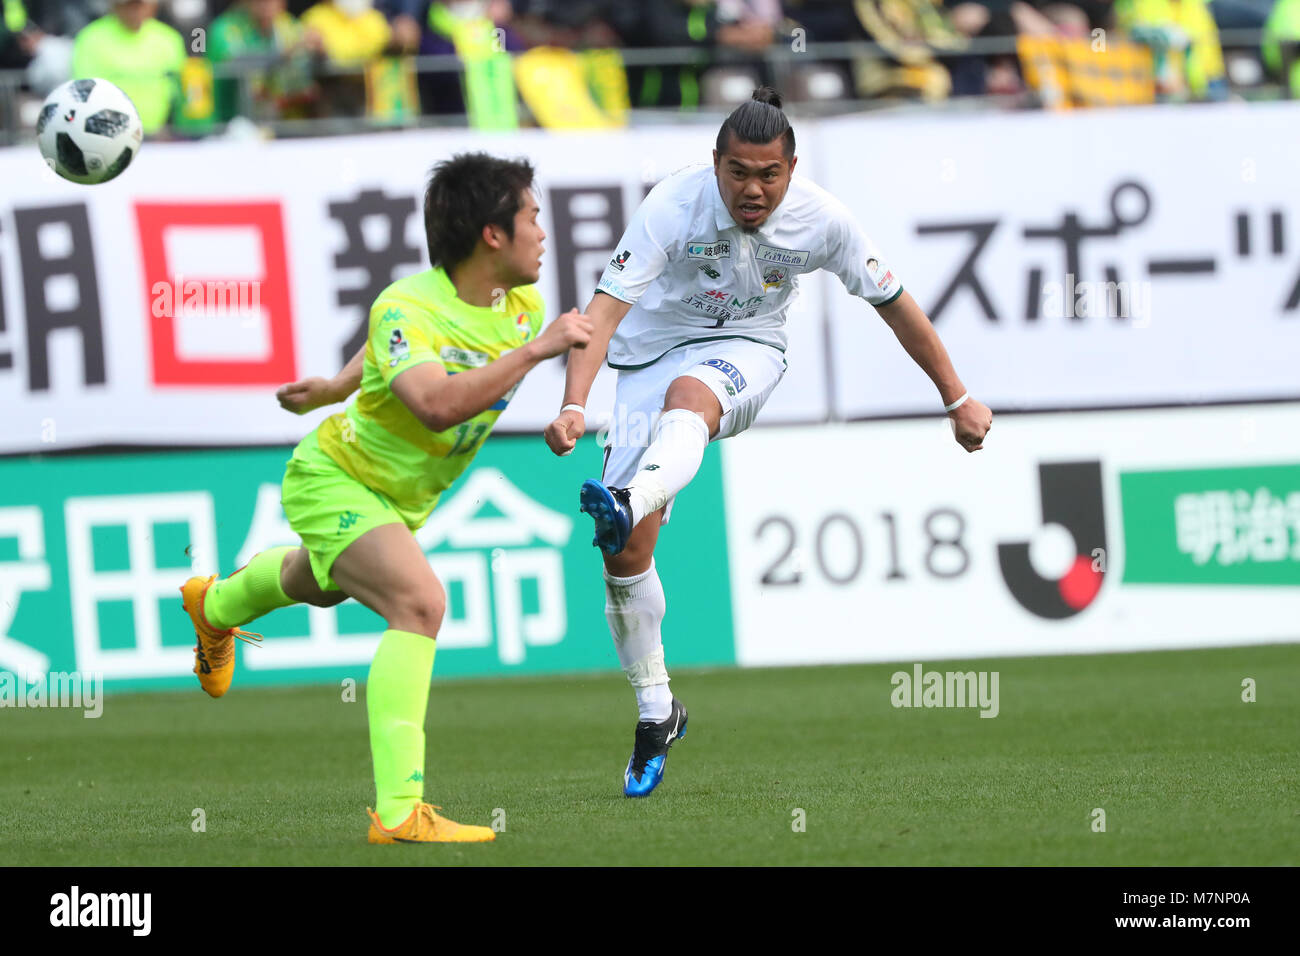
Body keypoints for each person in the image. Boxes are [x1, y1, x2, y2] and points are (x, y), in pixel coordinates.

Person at [543, 87, 992, 797]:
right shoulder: (671, 206)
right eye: (738, 174)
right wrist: (574, 404)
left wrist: (957, 397)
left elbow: (895, 304)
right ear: (715, 165)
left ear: (791, 168)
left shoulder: (825, 219)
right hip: (645, 357)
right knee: (624, 558)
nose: (753, 190)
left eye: (769, 175)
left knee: (690, 402)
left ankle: (631, 498)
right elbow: (600, 315)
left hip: (747, 349)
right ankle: (657, 711)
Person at [179, 153, 592, 843]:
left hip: (400, 500)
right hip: (337, 477)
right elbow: (431, 401)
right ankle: (400, 813)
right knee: (420, 603)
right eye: (531, 217)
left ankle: (213, 604)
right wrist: (534, 355)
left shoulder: (521, 308)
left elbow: (399, 357)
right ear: (493, 234)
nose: (542, 232)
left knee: (317, 585)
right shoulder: (408, 306)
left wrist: (341, 385)